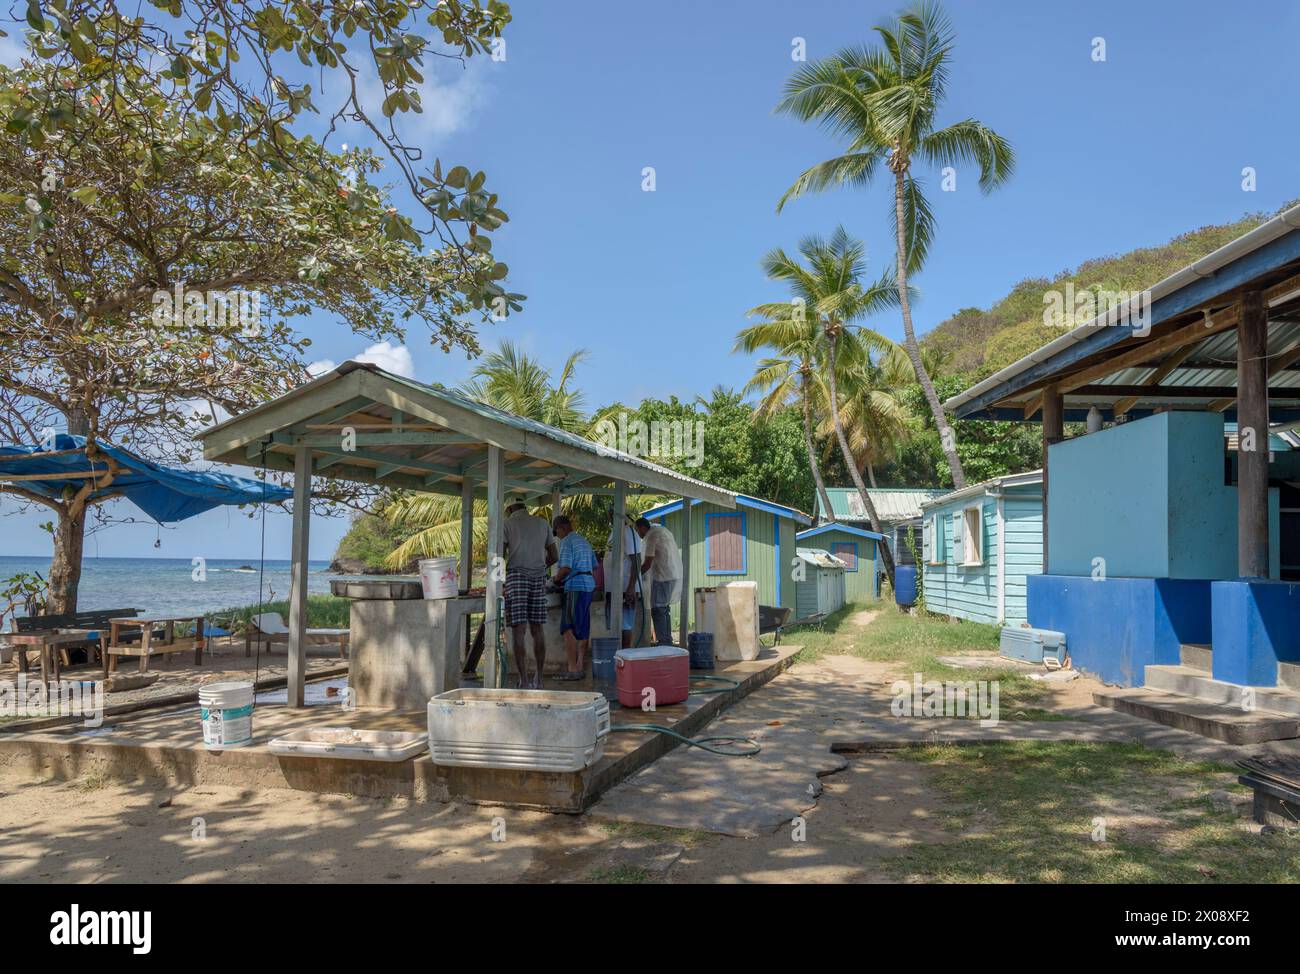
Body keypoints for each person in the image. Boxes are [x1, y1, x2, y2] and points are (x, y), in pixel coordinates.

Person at [501, 500, 557, 688]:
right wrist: (540, 566)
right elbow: (554, 556)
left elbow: (499, 556)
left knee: (519, 629)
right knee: (537, 629)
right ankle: (539, 678)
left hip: (516, 576)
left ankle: (523, 680)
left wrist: (500, 582)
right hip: (539, 576)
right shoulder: (542, 523)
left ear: (509, 509)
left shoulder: (507, 524)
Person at [551, 515, 597, 680]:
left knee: (568, 628)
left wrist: (555, 579)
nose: (558, 536)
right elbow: (594, 565)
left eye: (556, 532)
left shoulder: (567, 541)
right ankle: (579, 667)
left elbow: (566, 568)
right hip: (589, 585)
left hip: (575, 586)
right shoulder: (584, 541)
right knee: (583, 627)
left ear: (561, 528)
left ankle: (572, 669)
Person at [636, 516, 683, 645]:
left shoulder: (651, 536)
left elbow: (647, 563)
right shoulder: (661, 530)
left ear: (642, 528)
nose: (638, 534)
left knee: (658, 610)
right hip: (672, 575)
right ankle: (667, 640)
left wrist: (635, 576)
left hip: (662, 577)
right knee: (664, 609)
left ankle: (663, 642)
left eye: (637, 530)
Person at [605, 511, 642, 648]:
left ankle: (626, 656)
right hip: (613, 587)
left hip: (625, 587)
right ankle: (618, 657)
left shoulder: (627, 532)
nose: (609, 516)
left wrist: (631, 587)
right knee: (615, 624)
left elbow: (636, 560)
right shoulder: (614, 532)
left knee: (625, 624)